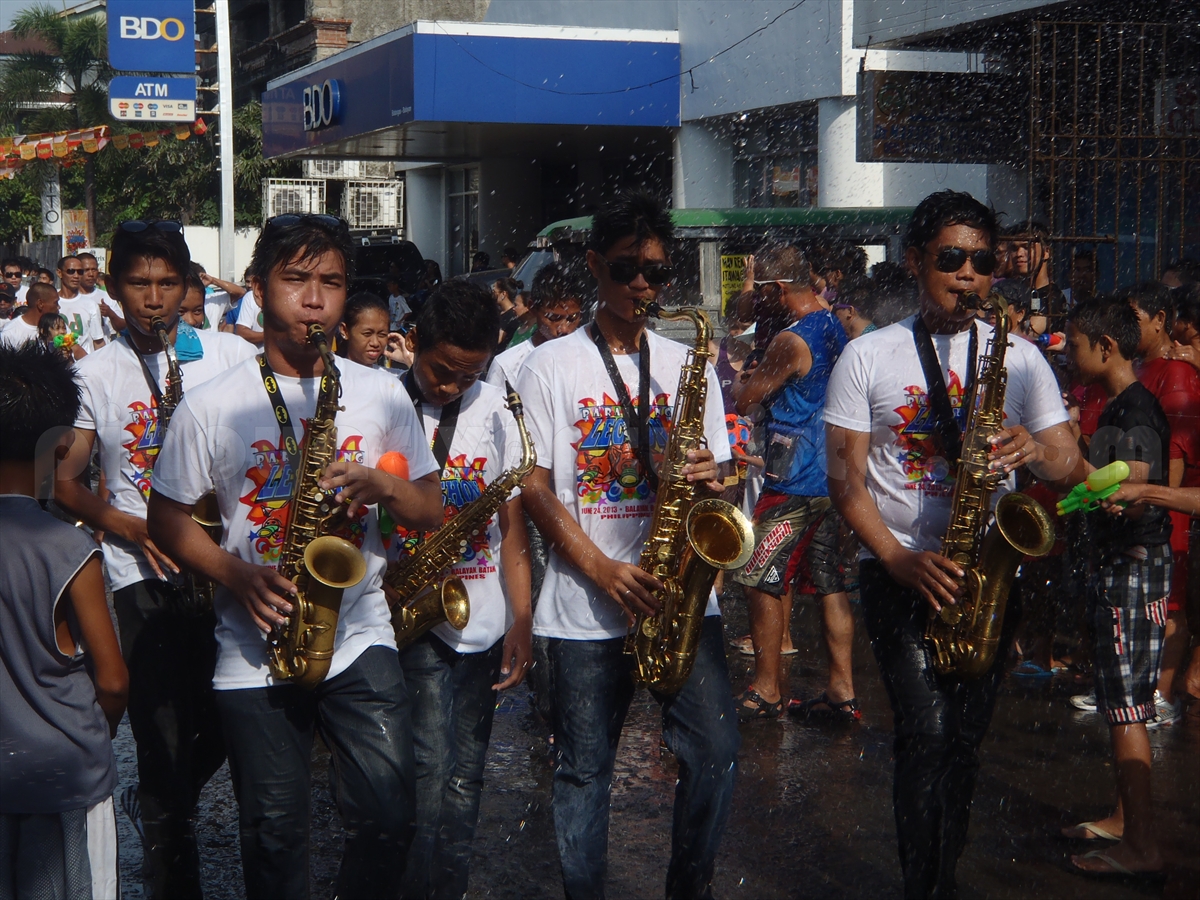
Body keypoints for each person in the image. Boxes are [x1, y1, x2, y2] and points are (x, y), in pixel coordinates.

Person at [145, 213, 444, 899]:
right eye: (296, 280)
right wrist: (235, 574)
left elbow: (428, 507)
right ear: (257, 289)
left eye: (331, 283)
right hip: (254, 646)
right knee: (274, 839)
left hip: (359, 629)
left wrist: (386, 486)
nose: (314, 301)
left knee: (390, 816)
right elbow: (165, 517)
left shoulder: (379, 391)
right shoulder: (211, 405)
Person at [824, 190, 1083, 899]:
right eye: (951, 258)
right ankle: (923, 883)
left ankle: (942, 875)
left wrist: (1036, 448)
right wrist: (897, 558)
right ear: (915, 260)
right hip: (899, 568)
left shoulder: (1019, 358)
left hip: (984, 577)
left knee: (964, 743)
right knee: (928, 734)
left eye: (982, 262)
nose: (968, 274)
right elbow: (845, 482)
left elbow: (1069, 464)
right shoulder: (867, 355)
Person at [516, 191, 738, 899]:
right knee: (585, 772)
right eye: (625, 269)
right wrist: (602, 568)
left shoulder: (686, 361)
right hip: (585, 604)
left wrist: (711, 477)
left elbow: (722, 476)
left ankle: (689, 889)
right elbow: (534, 486)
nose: (643, 284)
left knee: (717, 754)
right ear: (593, 266)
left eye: (656, 273)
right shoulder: (548, 366)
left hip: (678, 596)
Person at [52, 220, 257, 899]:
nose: (153, 298)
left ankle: (163, 802)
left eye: (167, 283)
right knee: (163, 739)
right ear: (114, 289)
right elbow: (63, 481)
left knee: (229, 724)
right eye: (138, 284)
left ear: (187, 286)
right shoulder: (94, 373)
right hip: (139, 575)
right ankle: (169, 851)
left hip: (222, 569)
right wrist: (125, 524)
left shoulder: (227, 355)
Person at [388, 280, 533, 899]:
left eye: (468, 376)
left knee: (467, 774)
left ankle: (448, 886)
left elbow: (512, 530)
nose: (451, 387)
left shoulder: (498, 410)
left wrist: (521, 618)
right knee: (428, 769)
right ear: (414, 341)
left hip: (482, 616)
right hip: (407, 612)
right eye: (441, 371)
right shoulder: (382, 402)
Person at [0, 342, 128, 900]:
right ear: (59, 447)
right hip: (66, 775)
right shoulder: (70, 548)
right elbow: (113, 681)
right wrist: (101, 731)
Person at [1059, 298, 1171, 877]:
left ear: (1106, 348)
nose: (1067, 352)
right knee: (1118, 702)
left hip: (1132, 567)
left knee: (1127, 707)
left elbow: (1137, 490)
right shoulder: (1118, 405)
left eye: (1075, 343)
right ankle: (1126, 820)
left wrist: (1113, 496)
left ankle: (1143, 848)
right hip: (1121, 566)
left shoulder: (1136, 411)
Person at [731, 243, 851, 720]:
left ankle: (766, 689)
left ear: (778, 289)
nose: (761, 302)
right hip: (832, 472)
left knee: (760, 577)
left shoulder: (790, 340)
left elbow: (746, 399)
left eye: (764, 293)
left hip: (794, 478)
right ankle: (842, 689)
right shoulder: (833, 323)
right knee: (828, 584)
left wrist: (742, 379)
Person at [486, 262, 583, 389]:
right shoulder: (507, 366)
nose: (564, 329)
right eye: (554, 317)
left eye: (573, 318)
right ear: (533, 308)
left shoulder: (591, 357)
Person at [56, 255, 105, 353]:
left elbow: (98, 342)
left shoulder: (90, 304)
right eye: (71, 271)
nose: (76, 276)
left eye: (80, 272)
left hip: (84, 361)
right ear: (59, 273)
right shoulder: (51, 301)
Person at [338, 291, 396, 370]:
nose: (375, 343)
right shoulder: (330, 374)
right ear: (345, 331)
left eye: (382, 335)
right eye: (367, 334)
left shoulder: (393, 376)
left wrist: (408, 358)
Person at [0, 282, 59, 348]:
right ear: (40, 304)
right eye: (56, 303)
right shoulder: (9, 333)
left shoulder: (58, 327)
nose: (59, 307)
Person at [492, 276, 523, 350]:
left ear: (503, 294)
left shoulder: (512, 315)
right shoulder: (498, 312)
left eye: (494, 291)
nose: (492, 293)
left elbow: (497, 340)